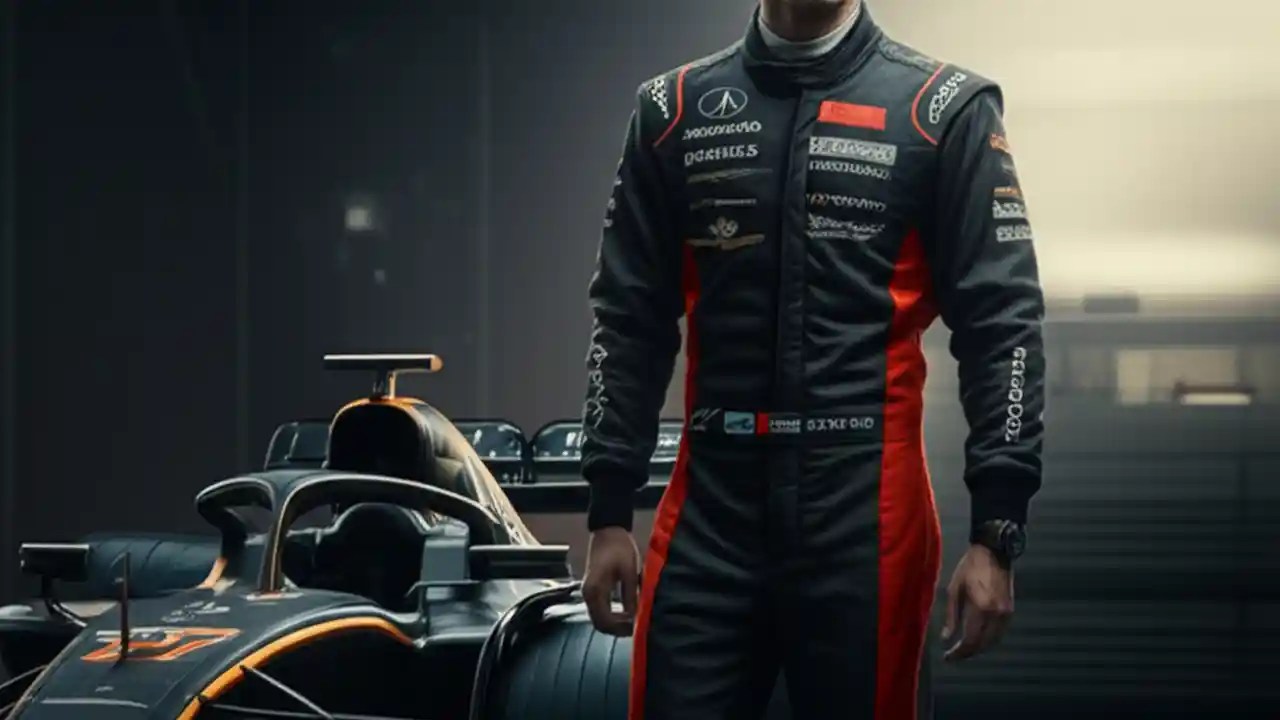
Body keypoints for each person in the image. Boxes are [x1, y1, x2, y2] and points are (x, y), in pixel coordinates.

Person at [579, 0, 1046, 717]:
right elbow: (629, 317)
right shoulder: (672, 111)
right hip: (712, 512)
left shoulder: (945, 109)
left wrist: (998, 532)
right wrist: (609, 511)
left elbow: (1002, 326)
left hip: (864, 510)